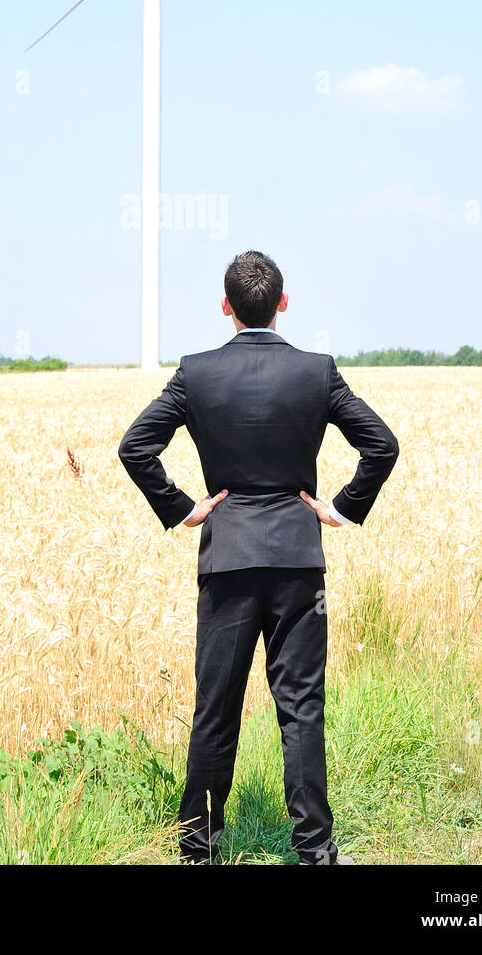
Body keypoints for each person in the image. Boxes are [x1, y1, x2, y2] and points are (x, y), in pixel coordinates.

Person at [118, 249, 399, 865]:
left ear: (226, 307)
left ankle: (199, 850)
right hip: (300, 561)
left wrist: (182, 507)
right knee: (300, 708)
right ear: (284, 303)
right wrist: (341, 507)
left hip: (227, 561)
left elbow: (135, 446)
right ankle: (316, 852)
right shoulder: (317, 371)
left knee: (214, 709)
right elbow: (381, 444)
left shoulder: (195, 374)